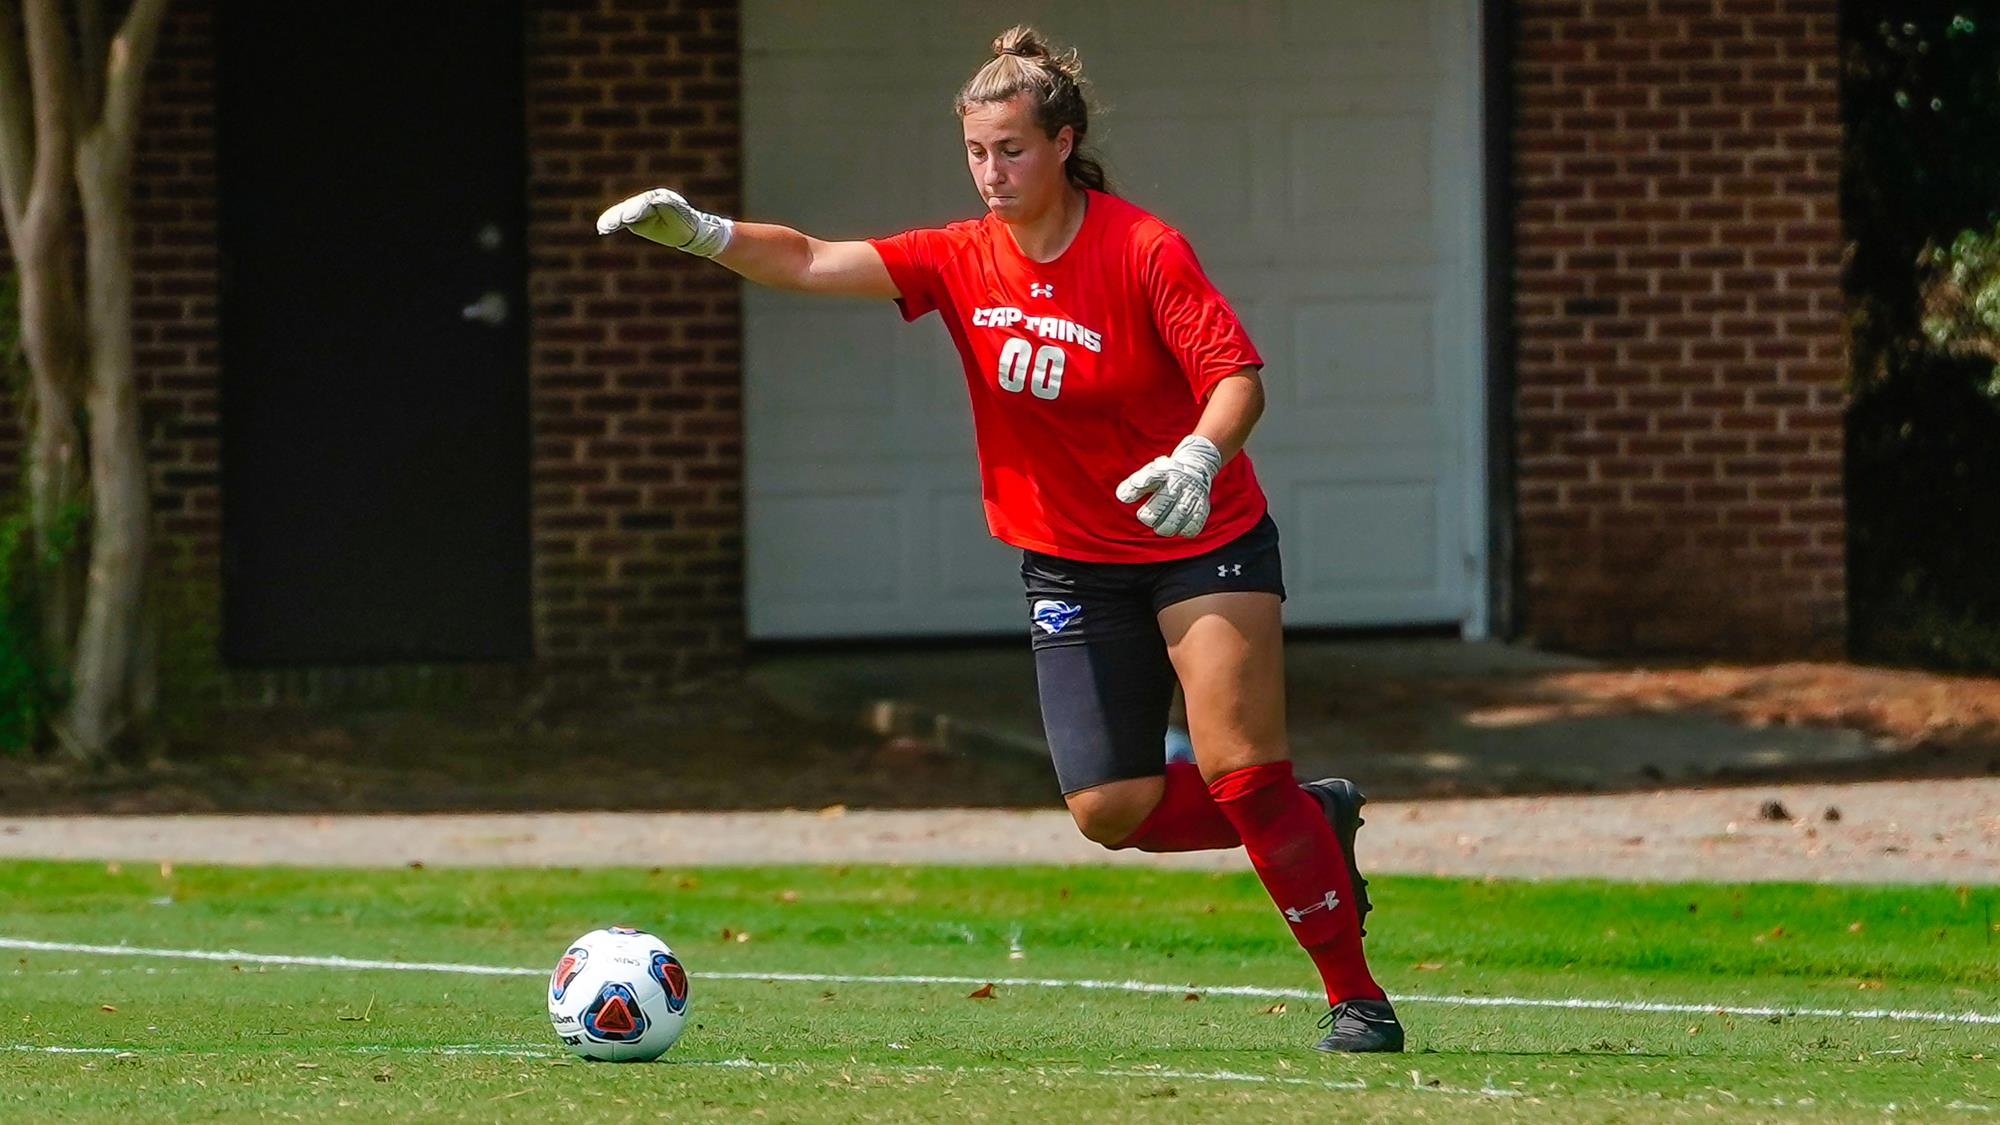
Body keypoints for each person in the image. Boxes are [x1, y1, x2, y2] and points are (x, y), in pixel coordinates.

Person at [596, 25, 1403, 1054]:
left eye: (1011, 149)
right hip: (1068, 557)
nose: (991, 172)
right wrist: (701, 231)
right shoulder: (955, 255)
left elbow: (1234, 378)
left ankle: (1355, 996)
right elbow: (807, 258)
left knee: (1241, 773)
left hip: (1198, 536)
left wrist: (1198, 458)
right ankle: (1312, 822)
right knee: (1109, 809)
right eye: (976, 152)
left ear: (1062, 142)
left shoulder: (1140, 246)